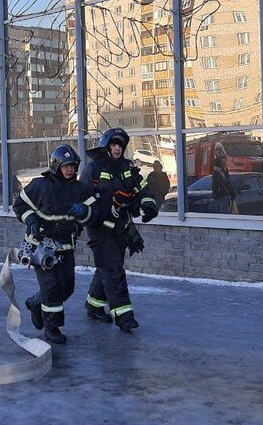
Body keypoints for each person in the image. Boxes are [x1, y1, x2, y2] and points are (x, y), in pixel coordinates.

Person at [13, 145, 95, 344]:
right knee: (52, 287)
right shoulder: (40, 185)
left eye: (72, 166)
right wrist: (31, 220)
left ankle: (36, 302)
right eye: (66, 166)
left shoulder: (81, 190)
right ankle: (52, 328)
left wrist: (84, 212)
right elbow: (19, 205)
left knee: (67, 287)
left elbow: (94, 213)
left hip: (66, 246)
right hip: (41, 246)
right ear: (56, 166)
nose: (69, 170)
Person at [81, 128, 159, 333]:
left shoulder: (127, 168)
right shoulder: (94, 169)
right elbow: (81, 197)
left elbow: (143, 188)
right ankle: (124, 316)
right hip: (99, 229)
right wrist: (96, 212)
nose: (117, 148)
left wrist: (149, 205)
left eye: (120, 145)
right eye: (114, 145)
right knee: (113, 270)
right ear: (106, 146)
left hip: (121, 228)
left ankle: (94, 305)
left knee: (107, 267)